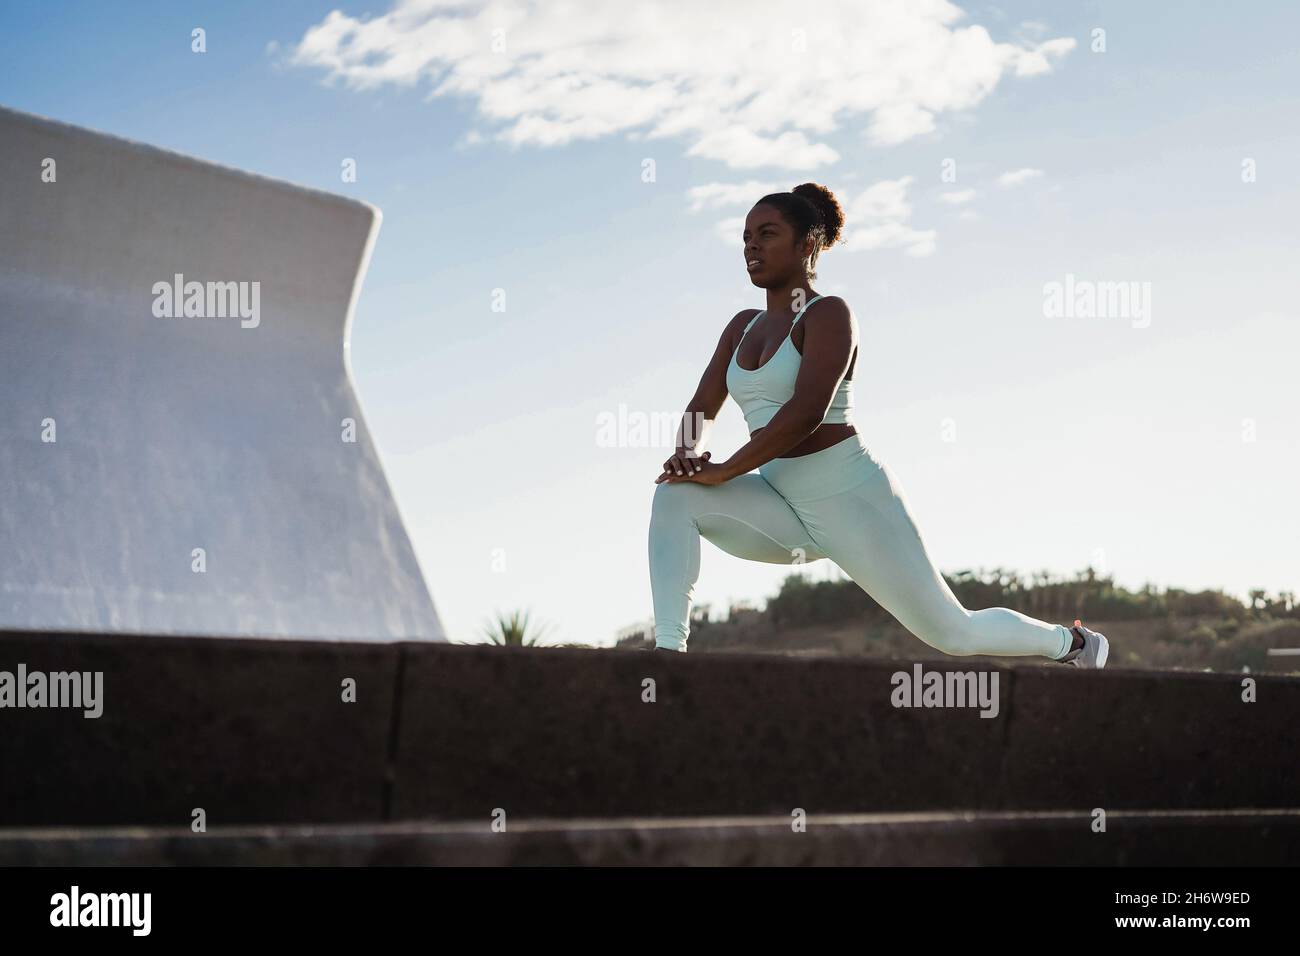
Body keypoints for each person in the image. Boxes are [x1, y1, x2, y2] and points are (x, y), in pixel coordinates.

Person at [647, 183, 1109, 667]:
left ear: (808, 243)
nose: (751, 246)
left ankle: (1074, 645)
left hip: (852, 498)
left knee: (953, 632)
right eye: (745, 237)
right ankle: (668, 654)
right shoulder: (741, 326)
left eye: (767, 233)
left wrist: (722, 471)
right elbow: (701, 405)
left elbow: (806, 413)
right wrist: (686, 454)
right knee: (676, 495)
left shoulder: (829, 314)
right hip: (782, 503)